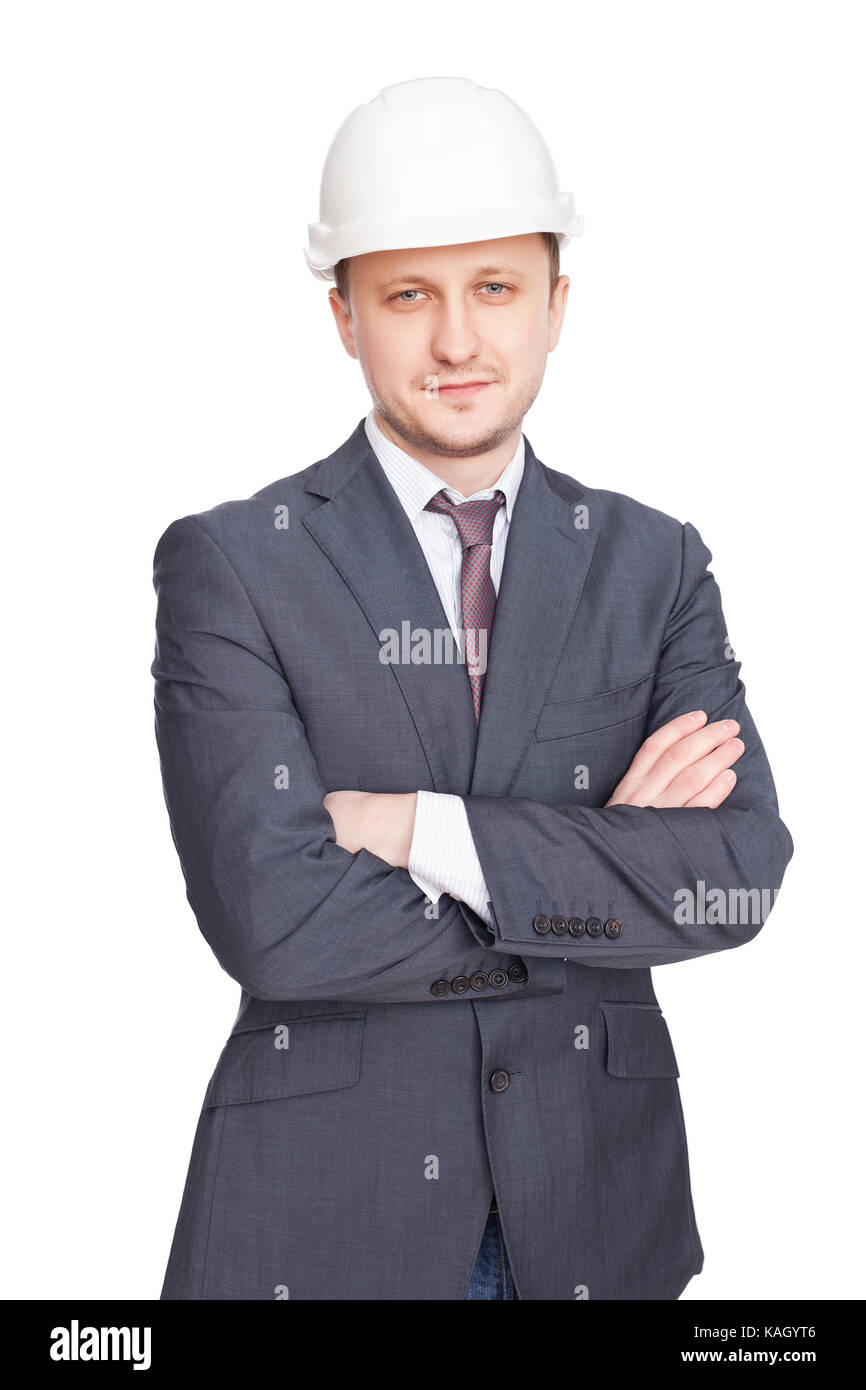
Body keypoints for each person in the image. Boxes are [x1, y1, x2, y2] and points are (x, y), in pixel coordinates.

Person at [151, 76, 793, 1300]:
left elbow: (738, 871)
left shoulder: (652, 564)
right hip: (326, 1226)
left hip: (598, 1219)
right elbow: (271, 917)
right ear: (343, 314)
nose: (456, 341)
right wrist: (600, 868)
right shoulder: (235, 561)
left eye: (494, 288)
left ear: (556, 305)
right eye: (407, 296)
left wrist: (410, 828)